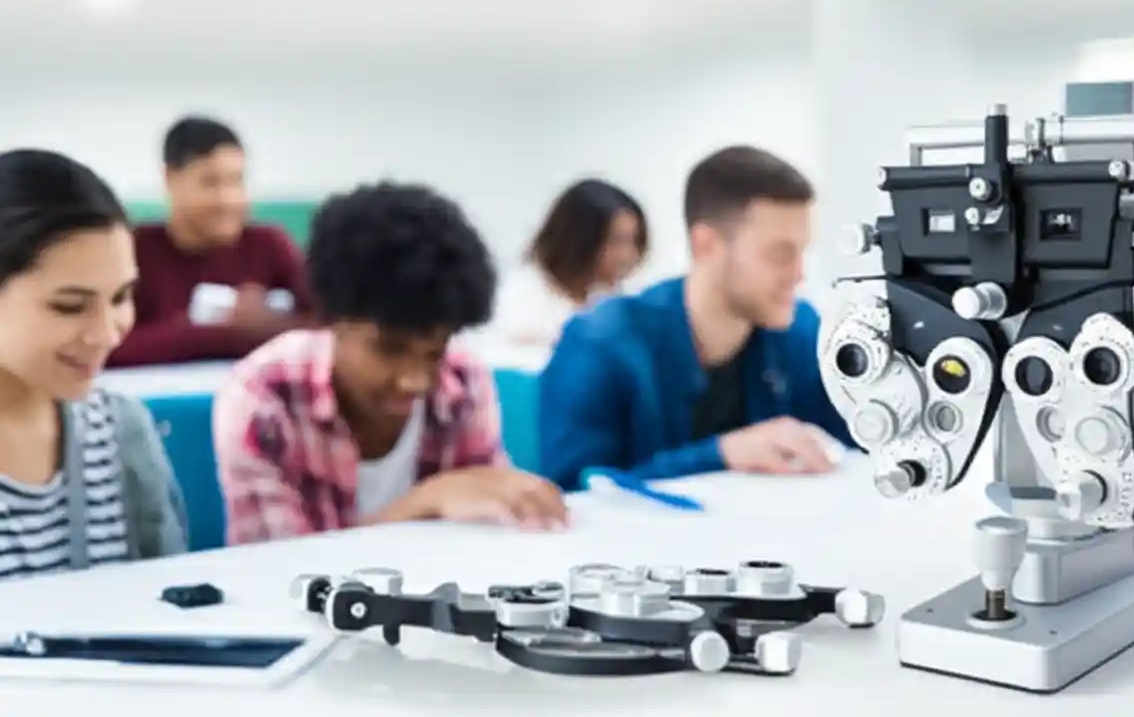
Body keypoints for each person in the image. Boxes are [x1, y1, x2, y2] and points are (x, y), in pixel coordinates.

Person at [212, 180, 568, 545]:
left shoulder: (462, 380)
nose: (413, 380)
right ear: (332, 321)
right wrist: (425, 501)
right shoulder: (263, 396)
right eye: (389, 350)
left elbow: (485, 527)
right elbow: (271, 568)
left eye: (433, 353)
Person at [538, 145, 858, 490]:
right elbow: (574, 492)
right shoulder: (599, 343)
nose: (798, 275)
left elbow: (863, 444)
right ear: (707, 245)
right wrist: (721, 456)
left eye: (802, 252)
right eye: (780, 254)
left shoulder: (802, 332)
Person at [0, 148, 188, 581]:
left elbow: (174, 612)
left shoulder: (123, 433)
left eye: (121, 298)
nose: (107, 333)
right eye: (69, 306)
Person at [107, 115, 312, 367]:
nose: (227, 199)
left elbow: (332, 327)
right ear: (170, 178)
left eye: (236, 181)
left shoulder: (269, 244)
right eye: (210, 182)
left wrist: (268, 323)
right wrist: (226, 331)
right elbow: (107, 345)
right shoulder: (136, 251)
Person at [492, 178, 648, 346]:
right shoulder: (520, 299)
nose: (628, 255)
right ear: (579, 241)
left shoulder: (611, 299)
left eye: (634, 241)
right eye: (617, 242)